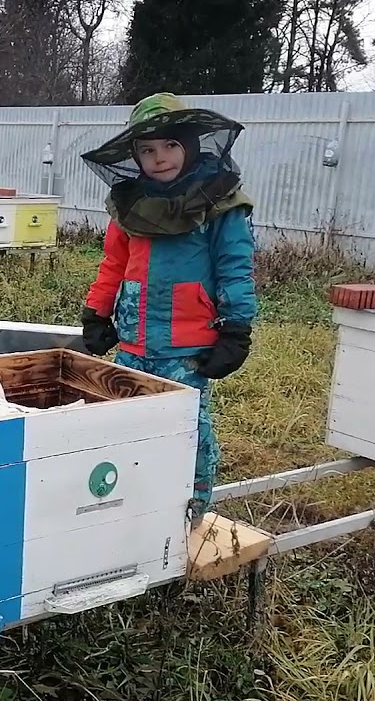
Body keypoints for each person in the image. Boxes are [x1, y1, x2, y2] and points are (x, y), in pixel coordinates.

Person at [78, 92, 257, 517]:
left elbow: (234, 268)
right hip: (133, 343)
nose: (159, 158)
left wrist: (236, 330)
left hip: (187, 349)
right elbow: (114, 264)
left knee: (188, 430)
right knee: (125, 426)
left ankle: (189, 512)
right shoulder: (130, 204)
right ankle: (132, 507)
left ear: (190, 145)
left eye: (170, 145)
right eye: (147, 150)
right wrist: (96, 313)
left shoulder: (219, 201)